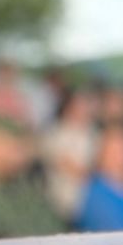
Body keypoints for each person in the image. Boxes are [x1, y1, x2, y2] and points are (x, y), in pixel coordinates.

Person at [40, 85, 96, 221]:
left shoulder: (94, 133)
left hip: (91, 196)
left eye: (86, 105)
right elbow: (65, 164)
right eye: (79, 105)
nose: (84, 109)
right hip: (63, 198)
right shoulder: (56, 132)